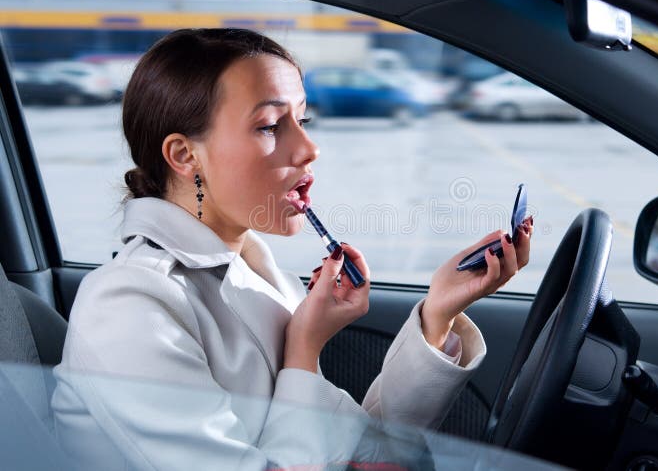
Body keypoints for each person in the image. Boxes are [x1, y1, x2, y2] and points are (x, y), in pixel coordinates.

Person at [51, 28, 533, 470]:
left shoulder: (254, 269)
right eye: (269, 126)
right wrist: (303, 350)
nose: (308, 149)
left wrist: (438, 316)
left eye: (302, 119)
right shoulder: (129, 306)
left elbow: (355, 444)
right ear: (184, 155)